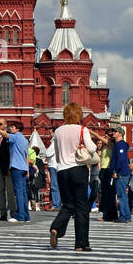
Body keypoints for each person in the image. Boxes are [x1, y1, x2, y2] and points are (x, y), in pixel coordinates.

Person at [50, 102, 98, 252]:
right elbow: (91, 148)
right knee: (81, 207)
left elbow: (57, 154)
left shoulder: (58, 131)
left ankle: (56, 229)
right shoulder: (82, 129)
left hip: (62, 171)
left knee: (68, 204)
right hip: (78, 170)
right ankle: (80, 244)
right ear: (79, 115)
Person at [7, 120, 31, 223]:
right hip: (23, 168)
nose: (10, 129)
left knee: (18, 193)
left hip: (16, 167)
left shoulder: (15, 137)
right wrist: (27, 169)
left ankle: (19, 216)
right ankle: (26, 216)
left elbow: (5, 135)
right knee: (23, 193)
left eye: (12, 127)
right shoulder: (25, 140)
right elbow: (26, 156)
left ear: (17, 129)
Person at [109, 124, 131, 224]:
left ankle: (124, 217)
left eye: (115, 131)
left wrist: (115, 171)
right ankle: (126, 215)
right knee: (123, 195)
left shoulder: (120, 145)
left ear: (120, 134)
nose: (113, 133)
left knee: (121, 195)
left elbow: (121, 160)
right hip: (123, 173)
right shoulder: (119, 145)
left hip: (121, 173)